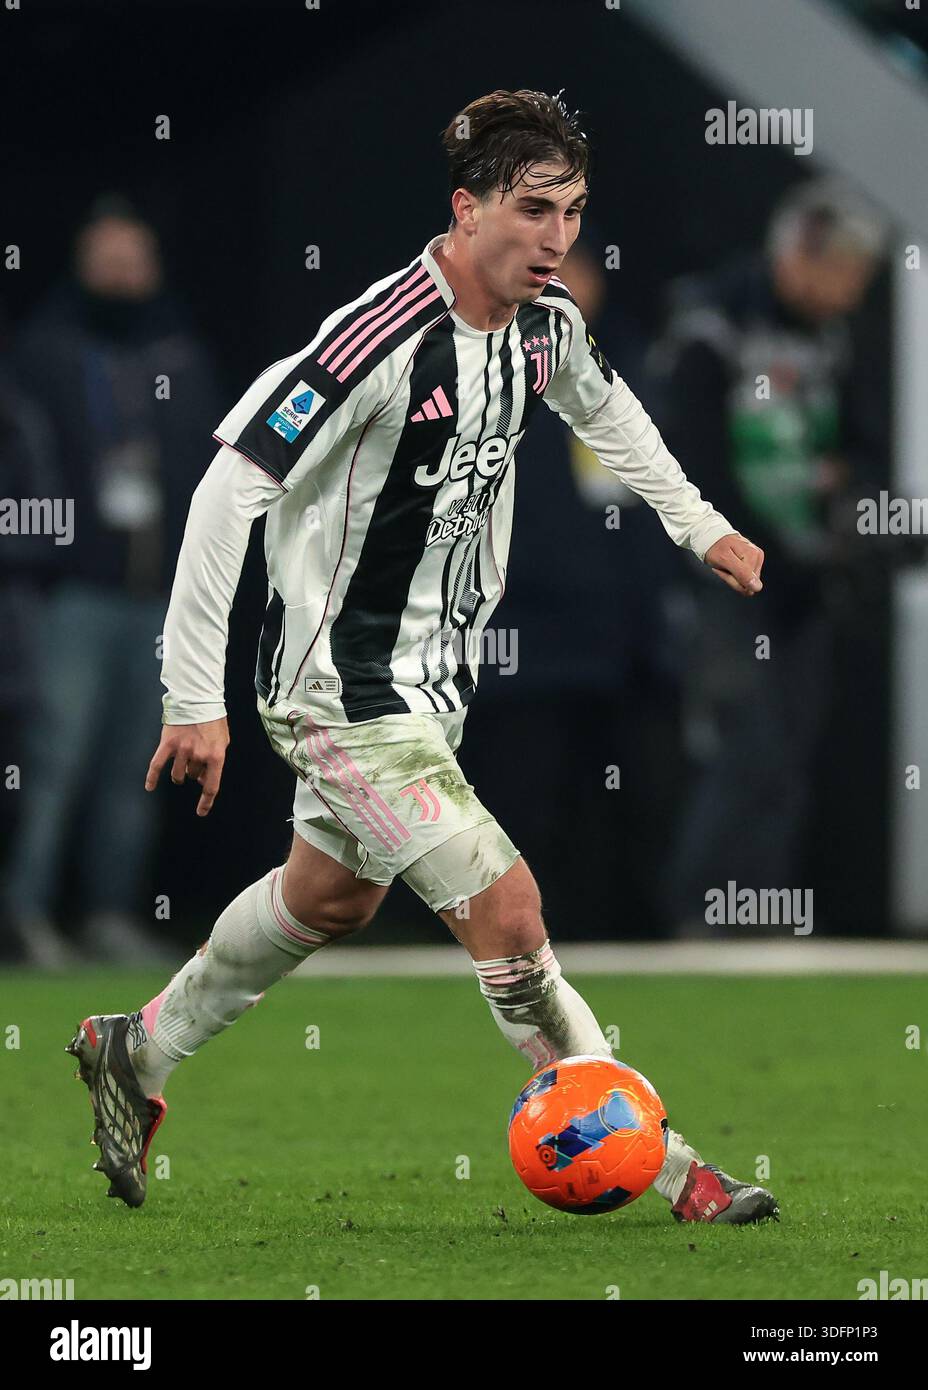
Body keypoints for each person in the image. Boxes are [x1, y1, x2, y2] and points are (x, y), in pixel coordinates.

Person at [66, 90, 775, 1224]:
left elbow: (609, 411)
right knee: (511, 916)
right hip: (335, 691)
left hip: (427, 688)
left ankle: (135, 1052)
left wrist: (699, 526)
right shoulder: (375, 338)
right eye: (534, 209)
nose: (557, 238)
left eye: (574, 212)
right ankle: (672, 1169)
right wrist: (191, 696)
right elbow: (224, 490)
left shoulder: (547, 325)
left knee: (329, 899)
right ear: (467, 207)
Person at [649, 178, 887, 935]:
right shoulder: (712, 323)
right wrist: (755, 555)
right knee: (745, 749)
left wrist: (848, 487)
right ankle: (702, 921)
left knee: (788, 758)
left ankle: (760, 929)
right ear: (802, 255)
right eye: (842, 277)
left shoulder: (828, 335)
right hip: (730, 580)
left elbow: (856, 440)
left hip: (805, 580)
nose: (850, 298)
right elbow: (688, 462)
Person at [3, 198, 221, 965]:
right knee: (55, 757)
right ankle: (25, 915)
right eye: (109, 259)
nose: (123, 273)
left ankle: (107, 914)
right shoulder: (47, 355)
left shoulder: (180, 359)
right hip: (76, 596)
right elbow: (26, 470)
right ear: (82, 266)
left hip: (160, 601)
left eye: (136, 259)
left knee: (140, 764)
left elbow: (211, 478)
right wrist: (57, 553)